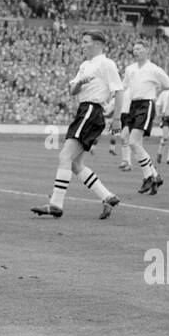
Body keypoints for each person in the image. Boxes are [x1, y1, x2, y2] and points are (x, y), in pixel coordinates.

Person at [31, 30, 124, 219]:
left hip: (91, 110)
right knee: (76, 164)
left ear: (98, 44)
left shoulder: (106, 64)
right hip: (85, 110)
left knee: (65, 156)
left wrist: (117, 118)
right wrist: (80, 83)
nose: (82, 45)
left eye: (85, 42)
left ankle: (56, 204)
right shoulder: (85, 65)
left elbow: (119, 91)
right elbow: (72, 91)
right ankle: (107, 196)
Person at [123, 40, 169, 195]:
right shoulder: (130, 69)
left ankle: (148, 177)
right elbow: (123, 87)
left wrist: (168, 108)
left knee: (133, 142)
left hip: (146, 105)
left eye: (139, 49)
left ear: (146, 50)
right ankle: (155, 176)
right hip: (133, 106)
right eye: (134, 49)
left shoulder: (154, 69)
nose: (136, 51)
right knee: (133, 143)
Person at [107, 78, 134, 170]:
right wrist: (106, 110)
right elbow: (114, 102)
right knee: (124, 139)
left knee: (124, 137)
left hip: (130, 115)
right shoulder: (120, 89)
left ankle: (128, 162)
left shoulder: (132, 89)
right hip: (121, 116)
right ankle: (125, 161)